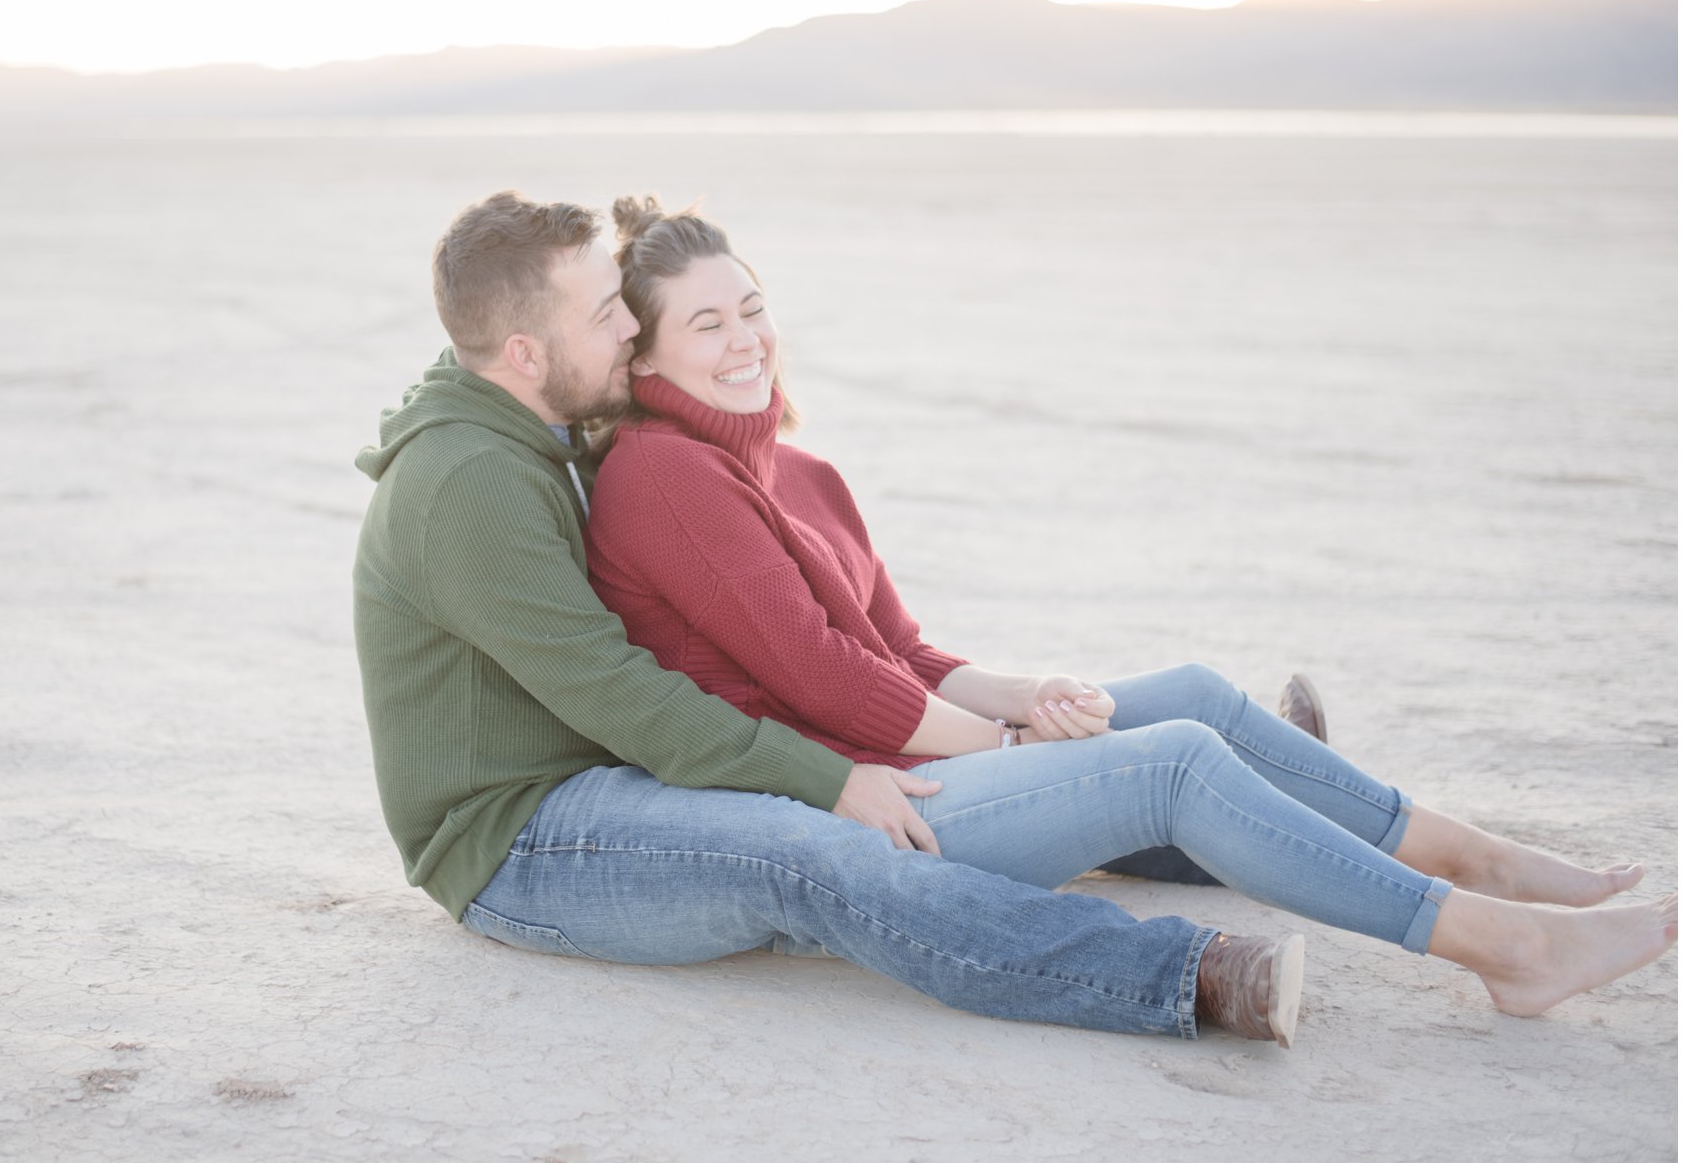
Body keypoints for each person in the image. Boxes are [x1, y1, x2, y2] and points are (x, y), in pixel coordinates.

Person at [573, 197, 1676, 1039]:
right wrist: (1010, 745)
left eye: (752, 309)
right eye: (704, 324)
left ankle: (1476, 858)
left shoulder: (796, 470)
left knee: (1191, 691)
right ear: (646, 354)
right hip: (864, 805)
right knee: (1173, 762)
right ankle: (1506, 944)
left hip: (906, 753)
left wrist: (1023, 695)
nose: (743, 340)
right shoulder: (662, 472)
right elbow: (822, 679)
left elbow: (900, 651)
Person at [354, 192, 1284, 1046]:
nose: (632, 326)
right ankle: (1179, 975)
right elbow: (619, 692)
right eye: (606, 315)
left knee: (1086, 739)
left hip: (614, 772)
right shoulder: (470, 480)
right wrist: (828, 776)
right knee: (815, 853)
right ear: (523, 351)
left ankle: (1245, 799)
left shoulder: (522, 406)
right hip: (521, 840)